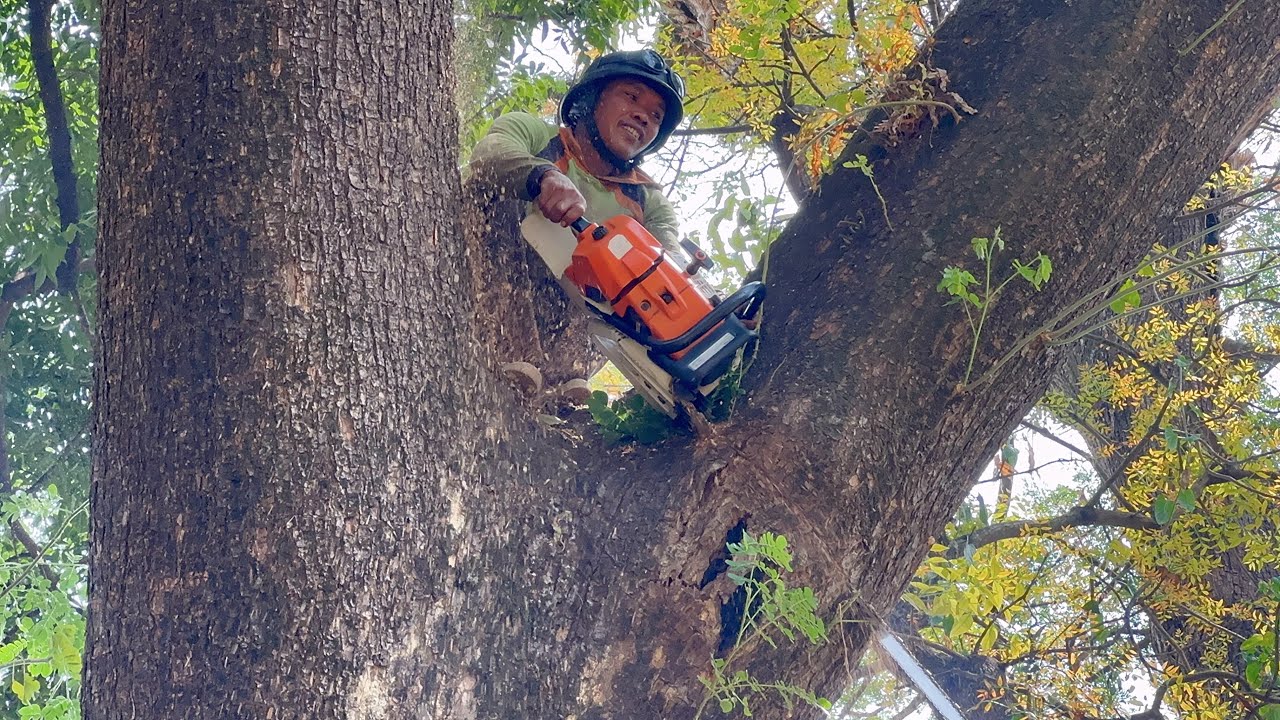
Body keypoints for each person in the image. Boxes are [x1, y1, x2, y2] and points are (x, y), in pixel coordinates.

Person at [467, 49, 688, 272]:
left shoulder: (647, 201)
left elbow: (670, 253)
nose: (643, 117)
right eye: (631, 97)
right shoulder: (537, 134)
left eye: (656, 116)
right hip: (472, 253)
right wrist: (544, 176)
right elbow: (489, 153)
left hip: (553, 301)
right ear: (593, 96)